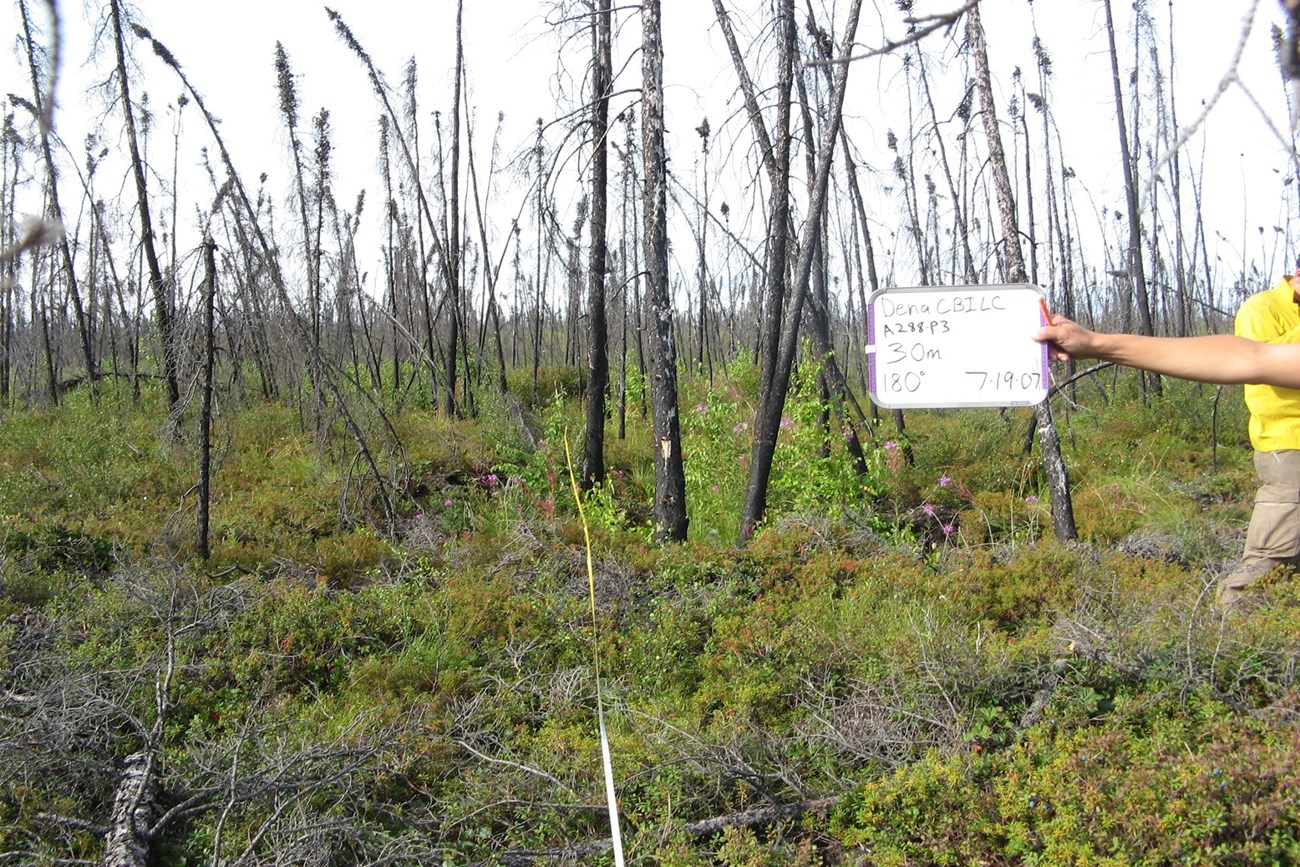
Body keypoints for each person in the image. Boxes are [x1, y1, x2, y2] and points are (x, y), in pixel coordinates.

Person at [1035, 266, 1300, 608]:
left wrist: (1097, 344)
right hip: (1287, 446)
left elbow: (1252, 359)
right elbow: (1251, 358)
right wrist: (1095, 343)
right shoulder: (1263, 308)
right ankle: (1230, 636)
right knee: (1265, 574)